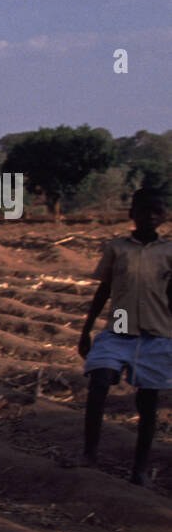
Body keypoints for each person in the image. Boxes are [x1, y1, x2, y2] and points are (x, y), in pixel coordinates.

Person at [77, 187, 172, 485]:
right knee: (99, 383)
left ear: (164, 215)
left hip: (157, 334)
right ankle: (89, 454)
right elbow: (104, 289)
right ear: (132, 214)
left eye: (157, 211)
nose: (151, 216)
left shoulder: (169, 252)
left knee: (148, 403)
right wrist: (86, 330)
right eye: (144, 210)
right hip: (118, 332)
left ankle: (140, 469)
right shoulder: (117, 248)